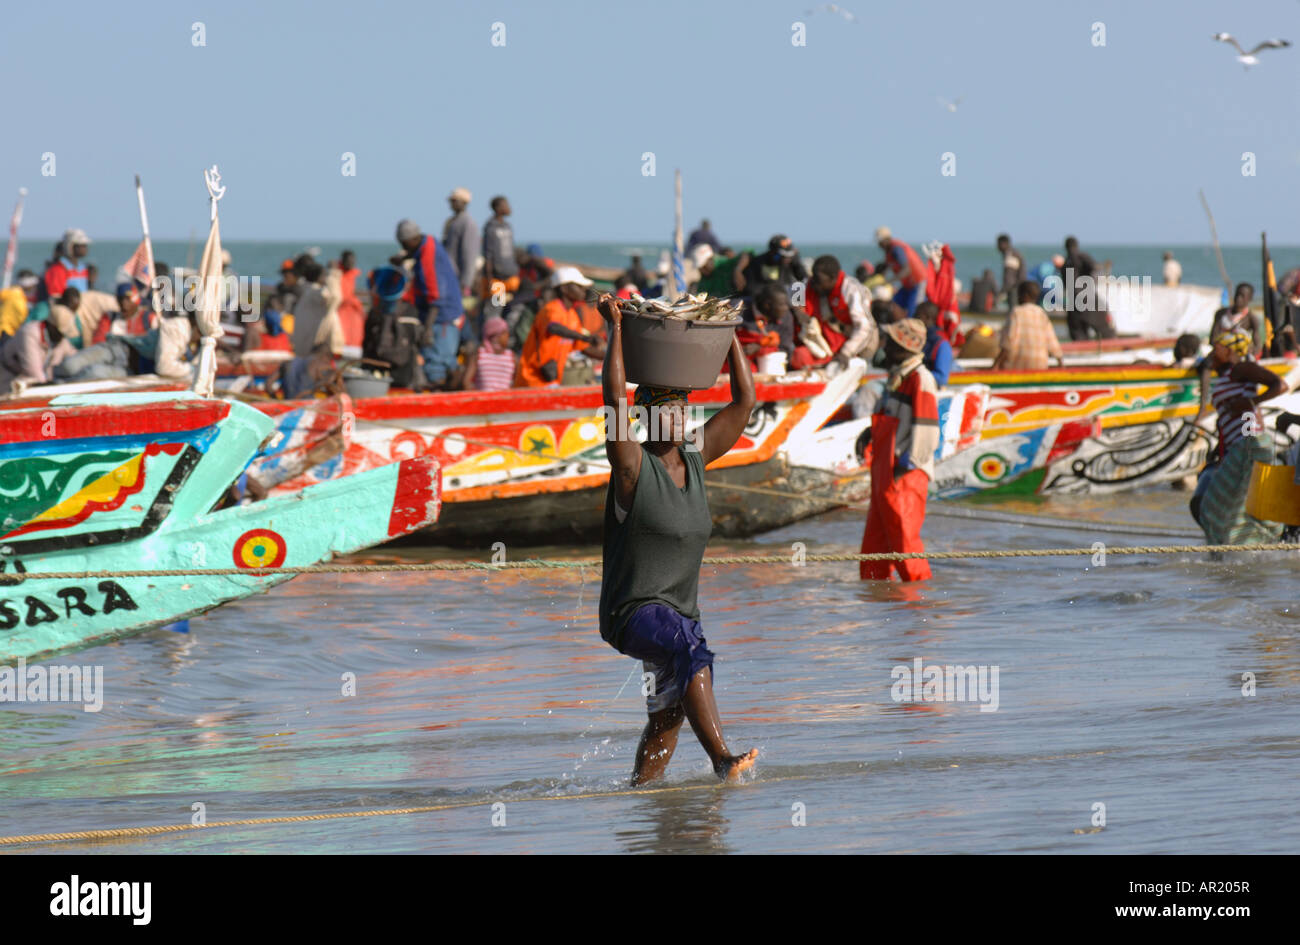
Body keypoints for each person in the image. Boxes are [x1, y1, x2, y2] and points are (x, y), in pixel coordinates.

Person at [595, 292, 758, 785]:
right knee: (690, 651)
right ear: (644, 418)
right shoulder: (630, 467)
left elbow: (745, 402)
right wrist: (616, 329)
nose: (678, 420)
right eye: (666, 412)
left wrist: (728, 334)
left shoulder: (695, 459)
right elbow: (614, 400)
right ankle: (723, 760)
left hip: (680, 613)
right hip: (633, 613)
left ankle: (643, 798)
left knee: (669, 713)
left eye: (683, 411)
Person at [854, 319, 938, 582]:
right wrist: (868, 434)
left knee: (905, 542)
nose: (885, 348)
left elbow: (927, 430)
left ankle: (916, 604)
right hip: (885, 469)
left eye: (890, 343)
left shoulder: (920, 379)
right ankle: (877, 602)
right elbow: (889, 415)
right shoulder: (898, 376)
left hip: (904, 472)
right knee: (875, 543)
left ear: (903, 347)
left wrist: (906, 467)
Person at [1191, 329, 1287, 544]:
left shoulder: (1240, 368)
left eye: (1216, 349)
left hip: (1250, 443)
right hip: (1238, 447)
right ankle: (1237, 554)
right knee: (1225, 507)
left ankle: (1242, 553)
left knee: (1216, 506)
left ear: (1229, 351)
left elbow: (1280, 385)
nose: (1212, 355)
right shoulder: (1226, 376)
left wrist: (1253, 402)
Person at [393, 219, 465, 389]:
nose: (404, 248)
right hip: (449, 313)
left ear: (411, 240)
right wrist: (405, 257)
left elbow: (435, 297)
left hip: (441, 318)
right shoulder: (430, 242)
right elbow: (417, 252)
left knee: (436, 365)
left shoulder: (427, 260)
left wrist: (427, 328)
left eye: (404, 245)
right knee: (445, 360)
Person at [515, 267, 604, 386]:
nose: (584, 290)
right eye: (579, 286)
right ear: (564, 288)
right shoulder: (551, 309)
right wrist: (584, 337)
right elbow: (554, 328)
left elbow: (584, 348)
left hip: (550, 381)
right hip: (531, 380)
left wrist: (614, 357)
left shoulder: (572, 314)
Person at [793, 254, 878, 370]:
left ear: (833, 278)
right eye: (813, 279)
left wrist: (846, 353)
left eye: (819, 281)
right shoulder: (805, 285)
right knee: (799, 356)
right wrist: (797, 311)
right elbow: (795, 289)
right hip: (822, 344)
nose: (815, 285)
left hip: (853, 345)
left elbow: (864, 327)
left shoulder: (852, 289)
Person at [994, 281, 1065, 371]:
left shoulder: (1016, 313)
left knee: (1004, 365)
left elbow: (1008, 342)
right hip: (1040, 366)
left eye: (1019, 295)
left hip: (1017, 366)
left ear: (1025, 296)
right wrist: (1061, 364)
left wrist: (995, 365)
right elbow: (1053, 343)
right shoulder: (1041, 314)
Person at [1060, 236, 1115, 340]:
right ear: (1077, 245)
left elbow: (1065, 285)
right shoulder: (1082, 256)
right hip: (1089, 299)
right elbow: (1095, 268)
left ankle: (1081, 352)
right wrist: (1104, 268)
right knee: (1106, 331)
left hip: (1073, 303)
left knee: (1078, 334)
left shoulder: (1065, 263)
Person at [874, 226, 928, 317]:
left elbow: (906, 269)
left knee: (913, 311)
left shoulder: (897, 249)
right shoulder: (888, 252)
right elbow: (886, 268)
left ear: (886, 240)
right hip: (908, 286)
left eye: (880, 242)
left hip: (918, 284)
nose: (879, 245)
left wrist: (889, 281)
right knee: (894, 304)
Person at [463, 316, 517, 391]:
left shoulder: (512, 357)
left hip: (505, 401)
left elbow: (518, 382)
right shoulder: (479, 355)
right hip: (483, 401)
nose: (508, 335)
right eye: (505, 332)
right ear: (496, 335)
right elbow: (466, 382)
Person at [443, 187, 481, 290]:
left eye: (454, 201)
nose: (451, 204)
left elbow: (469, 254)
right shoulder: (452, 221)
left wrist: (466, 282)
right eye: (451, 201)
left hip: (458, 277)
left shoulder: (467, 223)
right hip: (448, 274)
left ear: (464, 203)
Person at [481, 195, 519, 298]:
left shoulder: (507, 226)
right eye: (505, 205)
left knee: (509, 308)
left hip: (510, 276)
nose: (509, 207)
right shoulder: (490, 228)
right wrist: (489, 279)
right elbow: (488, 254)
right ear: (498, 208)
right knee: (496, 307)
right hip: (496, 278)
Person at [42, 229, 92, 301]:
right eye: (82, 245)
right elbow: (55, 296)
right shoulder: (59, 269)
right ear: (71, 246)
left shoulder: (82, 268)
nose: (85, 248)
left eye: (85, 245)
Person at [1212, 283, 1260, 357]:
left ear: (1250, 299)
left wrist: (1249, 352)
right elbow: (1213, 338)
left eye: (1242, 296)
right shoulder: (1221, 314)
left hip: (1241, 355)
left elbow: (1257, 346)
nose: (1238, 298)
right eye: (1237, 294)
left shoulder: (1251, 318)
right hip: (1221, 354)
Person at [914, 301, 953, 386]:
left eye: (917, 316)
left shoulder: (942, 345)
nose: (913, 319)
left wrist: (914, 375)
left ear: (928, 318)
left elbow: (941, 378)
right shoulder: (915, 337)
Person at [334, 250, 365, 347]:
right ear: (343, 261)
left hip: (352, 311)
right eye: (349, 261)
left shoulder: (351, 275)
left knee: (355, 335)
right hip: (341, 310)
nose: (351, 263)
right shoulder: (336, 274)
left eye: (353, 261)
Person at [0, 271, 38, 340]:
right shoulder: (18, 299)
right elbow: (21, 323)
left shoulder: (11, 292)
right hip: (5, 333)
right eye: (33, 286)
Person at [997, 234, 1025, 310]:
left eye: (998, 244)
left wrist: (1001, 292)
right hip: (1018, 286)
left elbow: (1009, 278)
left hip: (1014, 288)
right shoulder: (1013, 253)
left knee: (1013, 311)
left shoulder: (1010, 255)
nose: (997, 247)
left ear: (1003, 244)